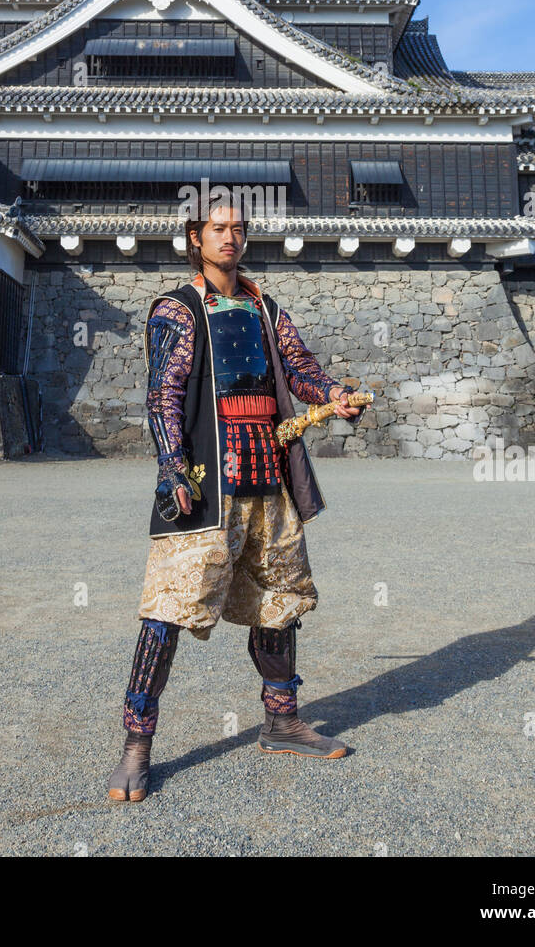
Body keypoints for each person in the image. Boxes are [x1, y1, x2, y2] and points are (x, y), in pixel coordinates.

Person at [107, 199, 364, 802]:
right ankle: (136, 746)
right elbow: (162, 393)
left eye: (238, 229)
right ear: (195, 238)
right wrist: (172, 465)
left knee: (280, 603)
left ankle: (281, 722)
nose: (231, 238)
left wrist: (335, 392)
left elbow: (300, 370)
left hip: (267, 476)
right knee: (167, 611)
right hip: (205, 479)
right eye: (219, 229)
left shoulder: (264, 307)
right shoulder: (177, 308)